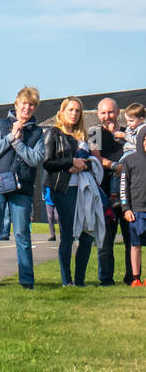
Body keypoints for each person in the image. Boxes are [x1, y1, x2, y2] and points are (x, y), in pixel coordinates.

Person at [0, 87, 45, 290]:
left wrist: (18, 143)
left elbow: (36, 158)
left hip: (21, 188)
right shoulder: (1, 124)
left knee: (22, 235)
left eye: (31, 105)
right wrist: (10, 137)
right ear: (16, 105)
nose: (27, 107)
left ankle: (26, 280)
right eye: (24, 103)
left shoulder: (37, 132)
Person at [43, 98, 103, 287]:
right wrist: (70, 163)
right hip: (63, 189)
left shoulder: (86, 136)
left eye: (77, 111)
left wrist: (86, 165)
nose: (74, 114)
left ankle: (80, 280)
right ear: (62, 112)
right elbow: (47, 163)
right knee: (67, 233)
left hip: (84, 189)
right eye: (70, 110)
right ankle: (66, 280)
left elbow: (95, 160)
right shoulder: (53, 133)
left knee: (87, 234)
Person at [89, 98, 130, 286]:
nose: (107, 116)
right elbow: (97, 159)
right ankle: (106, 279)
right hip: (105, 194)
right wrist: (116, 166)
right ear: (98, 114)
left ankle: (132, 277)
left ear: (118, 112)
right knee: (105, 241)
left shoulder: (128, 133)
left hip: (129, 193)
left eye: (111, 112)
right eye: (103, 113)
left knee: (131, 239)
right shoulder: (94, 133)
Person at [118, 141, 146, 285]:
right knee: (135, 245)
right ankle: (136, 278)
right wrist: (126, 208)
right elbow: (123, 186)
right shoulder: (130, 160)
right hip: (136, 210)